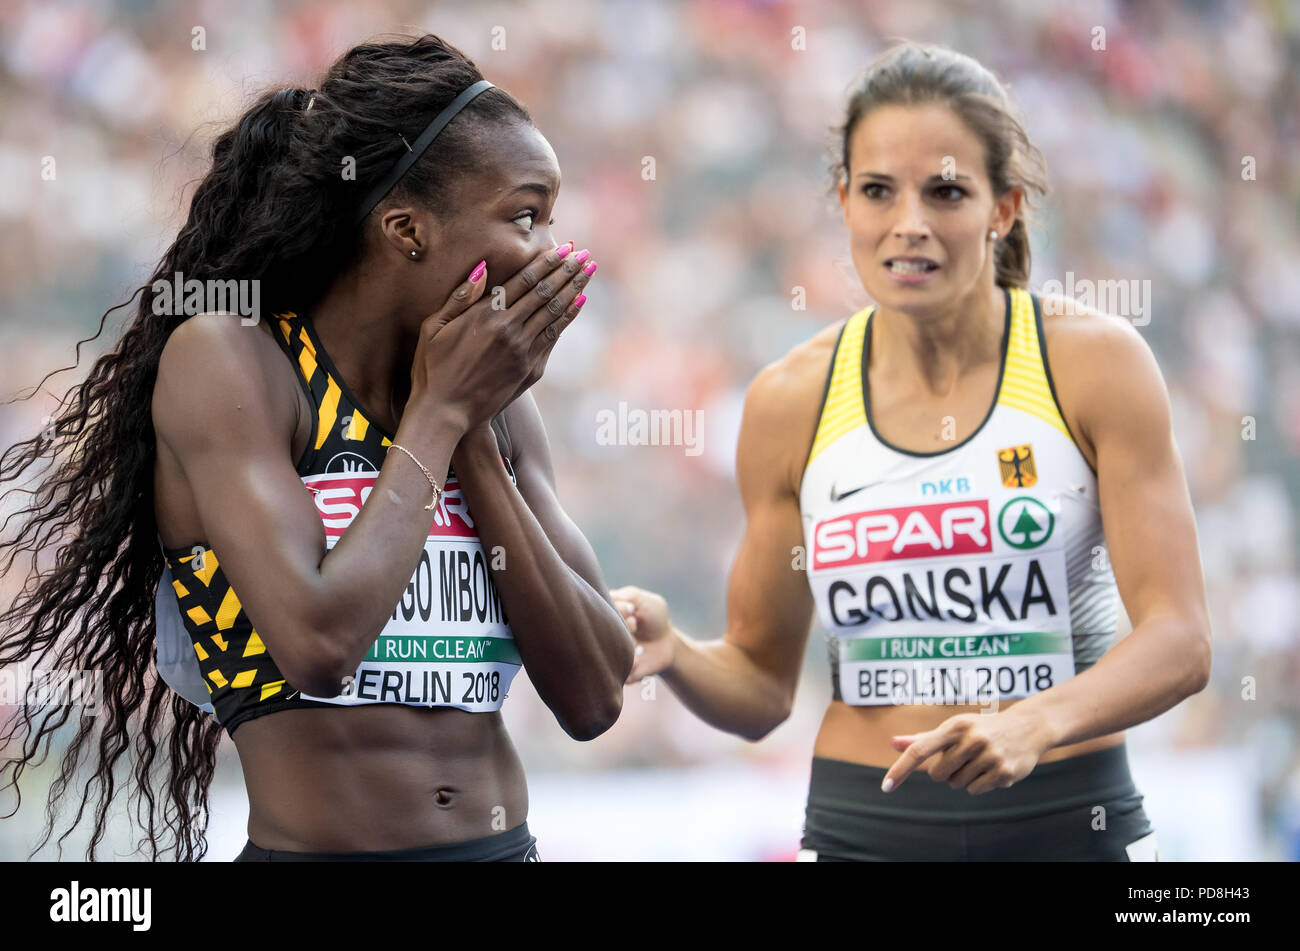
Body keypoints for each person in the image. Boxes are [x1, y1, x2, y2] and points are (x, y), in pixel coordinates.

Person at [0, 34, 634, 862]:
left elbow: (594, 695)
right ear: (407, 229)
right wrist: (439, 418)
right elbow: (320, 647)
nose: (547, 252)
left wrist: (474, 439)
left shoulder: (499, 411)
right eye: (525, 214)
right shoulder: (233, 361)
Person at [612, 41, 1212, 861]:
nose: (910, 226)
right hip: (863, 833)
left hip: (1069, 827)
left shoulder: (1095, 362)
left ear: (1003, 207)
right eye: (878, 192)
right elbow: (759, 684)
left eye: (946, 192)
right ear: (844, 202)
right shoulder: (791, 399)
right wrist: (675, 652)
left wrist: (1034, 721)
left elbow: (1180, 640)